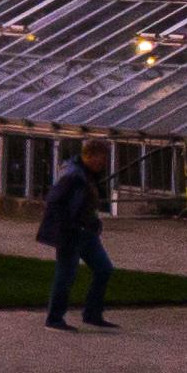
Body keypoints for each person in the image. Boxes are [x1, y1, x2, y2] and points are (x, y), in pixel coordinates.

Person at [39, 138, 119, 331]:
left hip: (85, 231)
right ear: (89, 156)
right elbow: (54, 202)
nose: (103, 164)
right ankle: (54, 318)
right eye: (101, 159)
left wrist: (92, 221)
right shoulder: (73, 175)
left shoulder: (86, 174)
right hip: (71, 232)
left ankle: (92, 313)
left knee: (104, 269)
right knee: (66, 274)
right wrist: (68, 226)